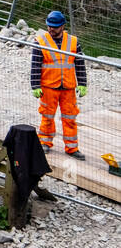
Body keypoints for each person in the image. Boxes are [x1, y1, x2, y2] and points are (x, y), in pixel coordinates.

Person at [32, 10, 88, 158]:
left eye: (55, 26)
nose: (51, 29)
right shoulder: (40, 41)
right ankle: (44, 142)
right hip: (49, 86)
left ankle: (72, 148)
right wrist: (35, 85)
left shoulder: (74, 42)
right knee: (47, 116)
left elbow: (80, 63)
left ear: (62, 26)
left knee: (70, 117)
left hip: (68, 86)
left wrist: (82, 83)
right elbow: (36, 65)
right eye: (49, 26)